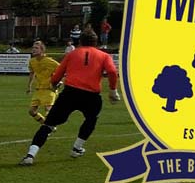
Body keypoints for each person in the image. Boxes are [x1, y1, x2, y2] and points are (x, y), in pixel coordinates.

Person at [19, 31, 120, 166]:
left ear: (80, 42)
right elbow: (113, 72)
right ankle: (77, 148)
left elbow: (58, 75)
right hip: (91, 95)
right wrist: (113, 90)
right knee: (91, 119)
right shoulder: (104, 56)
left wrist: (54, 85)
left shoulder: (71, 54)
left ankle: (30, 155)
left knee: (48, 124)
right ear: (96, 43)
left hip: (70, 93)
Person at [26, 41, 59, 124]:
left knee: (48, 109)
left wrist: (59, 82)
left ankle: (49, 126)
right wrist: (29, 86)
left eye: (36, 48)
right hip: (39, 89)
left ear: (42, 50)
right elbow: (32, 73)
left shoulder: (49, 61)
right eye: (33, 48)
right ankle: (46, 124)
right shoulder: (32, 61)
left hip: (49, 88)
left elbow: (62, 69)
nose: (33, 49)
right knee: (31, 111)